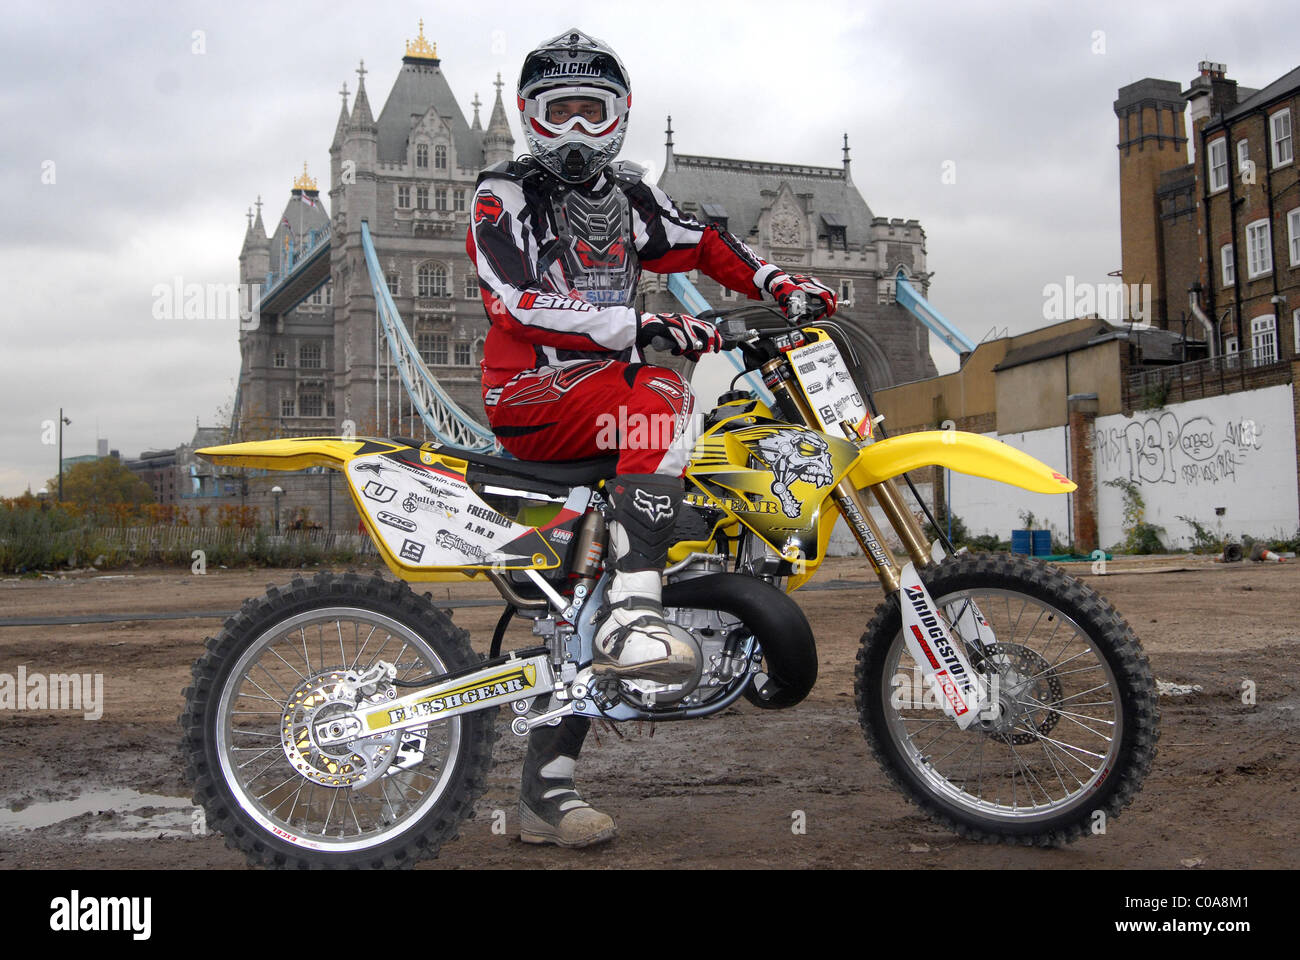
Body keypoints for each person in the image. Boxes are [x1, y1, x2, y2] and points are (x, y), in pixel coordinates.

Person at [466, 27, 837, 848]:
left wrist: (778, 281)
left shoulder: (632, 197)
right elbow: (514, 301)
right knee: (666, 393)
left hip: (600, 390)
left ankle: (548, 785)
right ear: (530, 118)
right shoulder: (503, 193)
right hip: (531, 391)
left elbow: (702, 242)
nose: (571, 130)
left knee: (666, 472)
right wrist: (642, 328)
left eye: (586, 112)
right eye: (554, 112)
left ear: (617, 117)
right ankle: (639, 615)